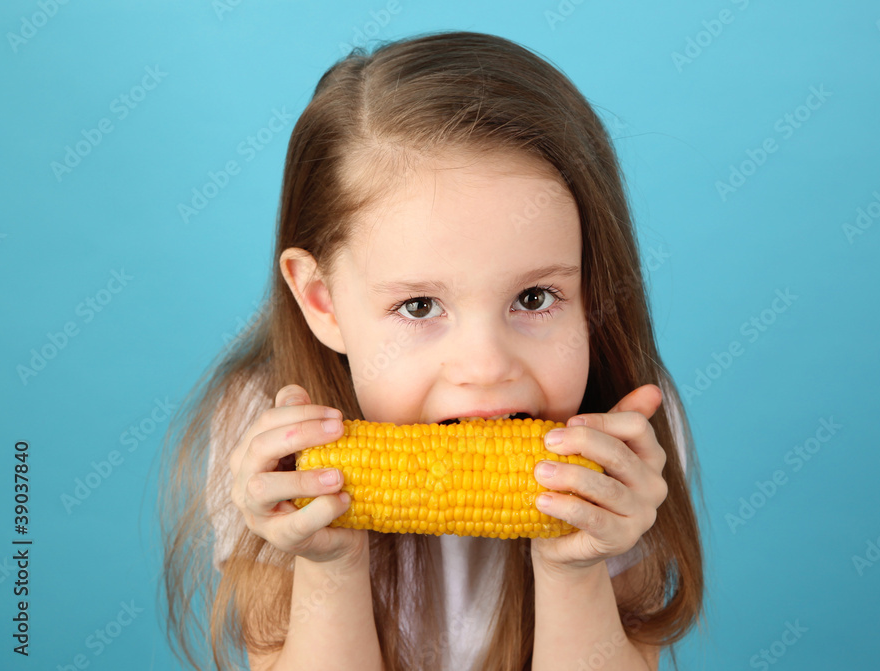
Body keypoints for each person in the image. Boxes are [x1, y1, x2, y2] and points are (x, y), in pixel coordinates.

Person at [161, 30, 703, 671]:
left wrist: (574, 569)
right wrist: (329, 563)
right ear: (322, 302)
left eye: (533, 298)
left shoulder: (626, 441)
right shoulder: (271, 446)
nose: (485, 367)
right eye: (419, 307)